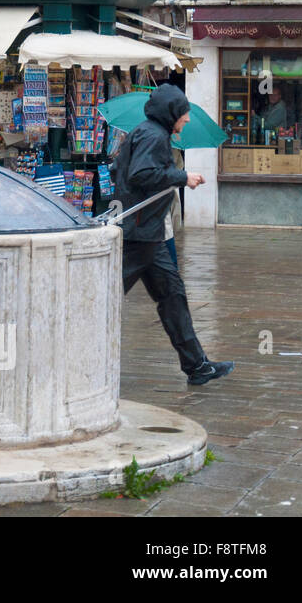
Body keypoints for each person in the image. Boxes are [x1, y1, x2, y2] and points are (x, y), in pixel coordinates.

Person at [112, 84, 233, 386]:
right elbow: (140, 174)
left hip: (148, 235)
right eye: (184, 113)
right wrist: (183, 177)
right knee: (103, 297)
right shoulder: (153, 135)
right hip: (139, 237)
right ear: (172, 113)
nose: (188, 119)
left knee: (173, 297)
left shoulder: (149, 132)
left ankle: (198, 367)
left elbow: (121, 170)